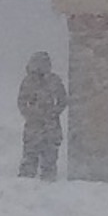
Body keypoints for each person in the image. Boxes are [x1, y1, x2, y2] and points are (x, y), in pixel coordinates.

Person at [17, 51, 69, 180]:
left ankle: (48, 183)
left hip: (51, 126)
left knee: (50, 158)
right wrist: (31, 114)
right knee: (30, 157)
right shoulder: (28, 82)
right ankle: (25, 183)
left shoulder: (54, 81)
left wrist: (53, 112)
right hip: (33, 127)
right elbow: (21, 102)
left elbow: (63, 100)